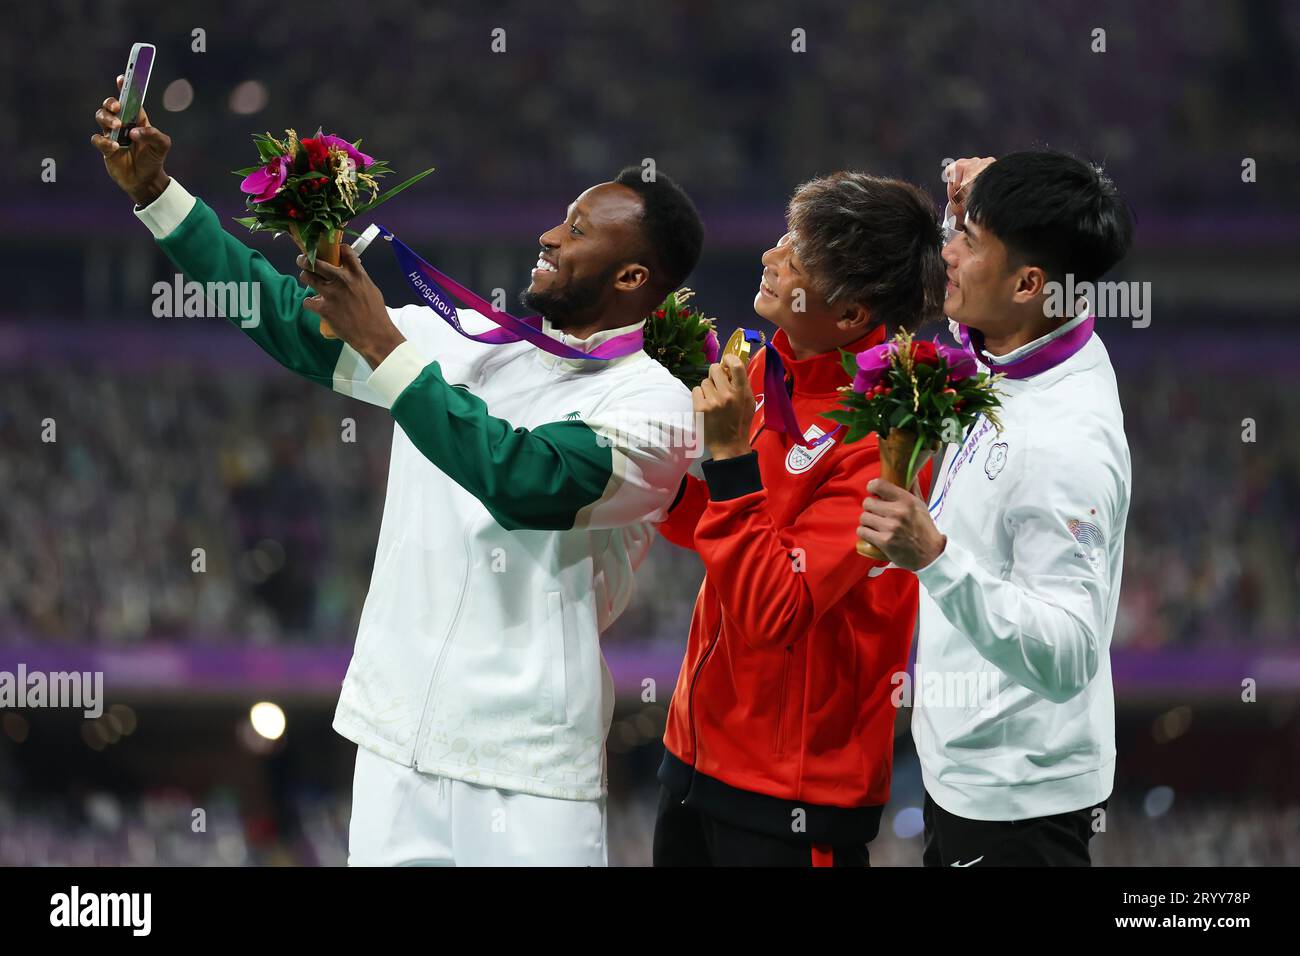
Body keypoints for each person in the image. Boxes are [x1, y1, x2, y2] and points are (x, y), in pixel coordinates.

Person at [92, 75, 705, 866]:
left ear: (632, 278)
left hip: (527, 771)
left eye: (579, 229)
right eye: (562, 216)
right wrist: (159, 198)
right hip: (393, 743)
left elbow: (527, 481)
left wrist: (386, 347)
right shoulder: (470, 343)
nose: (550, 235)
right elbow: (283, 318)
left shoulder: (656, 403)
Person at [653, 171, 946, 866]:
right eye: (787, 236)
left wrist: (725, 459)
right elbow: (730, 534)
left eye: (799, 255)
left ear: (850, 315)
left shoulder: (887, 438)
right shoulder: (766, 374)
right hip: (693, 761)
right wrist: (659, 490)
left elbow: (774, 608)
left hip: (791, 803)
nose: (771, 256)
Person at [856, 150, 1134, 866]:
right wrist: (976, 202)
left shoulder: (1064, 445)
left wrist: (936, 559)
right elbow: (1000, 285)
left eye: (967, 241)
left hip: (1017, 807)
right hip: (973, 771)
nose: (945, 252)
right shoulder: (1027, 340)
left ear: (1030, 282)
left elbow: (1073, 652)